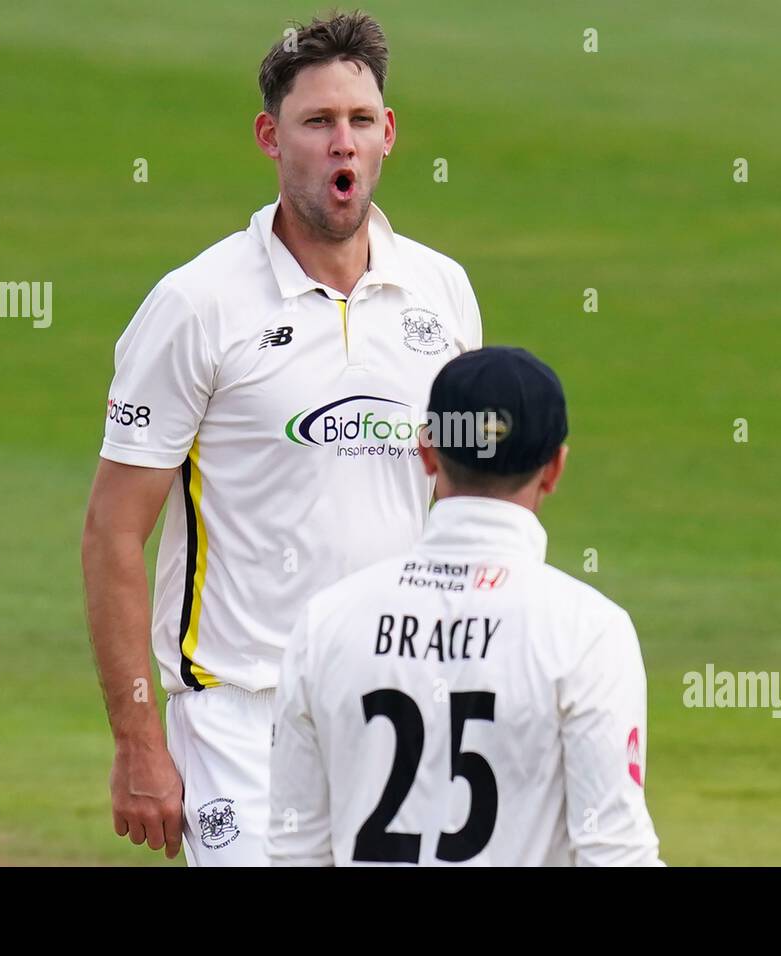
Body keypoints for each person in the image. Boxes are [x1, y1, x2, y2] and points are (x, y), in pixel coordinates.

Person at [81, 11, 482, 866]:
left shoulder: (442, 295)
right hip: (241, 717)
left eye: (360, 121)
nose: (343, 143)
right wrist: (137, 737)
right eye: (318, 122)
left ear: (389, 136)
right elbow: (115, 531)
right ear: (271, 137)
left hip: (399, 701)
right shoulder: (198, 304)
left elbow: (462, 503)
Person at [267, 347, 661, 865]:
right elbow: (613, 852)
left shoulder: (328, 622)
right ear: (554, 469)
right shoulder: (588, 630)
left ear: (427, 453)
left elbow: (296, 850)